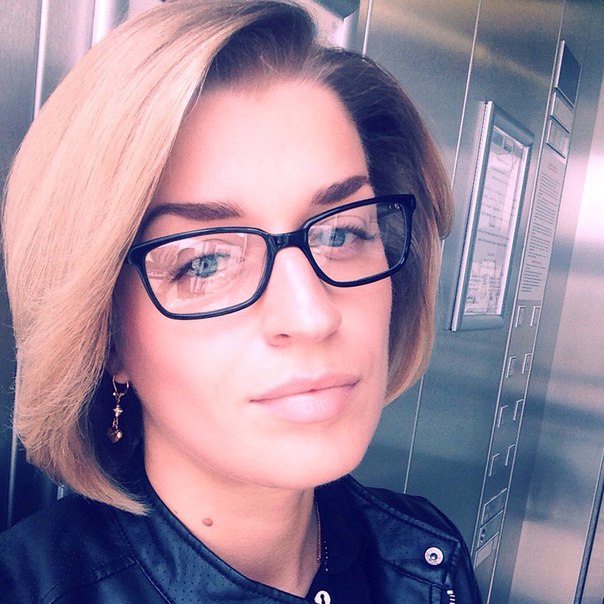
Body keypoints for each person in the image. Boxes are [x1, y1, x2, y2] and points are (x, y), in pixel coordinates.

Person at [0, 1, 481, 601]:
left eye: (341, 232)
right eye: (205, 262)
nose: (312, 315)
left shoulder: (426, 563)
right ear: (105, 334)